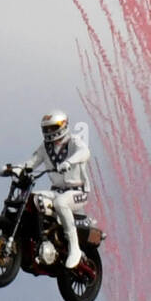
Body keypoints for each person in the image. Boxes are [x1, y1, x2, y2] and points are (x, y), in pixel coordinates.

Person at [16, 111, 91, 269]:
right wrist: (16, 169)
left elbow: (85, 152)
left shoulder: (73, 141)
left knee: (60, 203)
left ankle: (75, 248)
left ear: (63, 126)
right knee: (34, 198)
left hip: (78, 191)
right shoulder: (45, 147)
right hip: (57, 190)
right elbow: (32, 161)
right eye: (47, 129)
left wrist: (69, 162)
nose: (49, 132)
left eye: (53, 128)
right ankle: (43, 238)